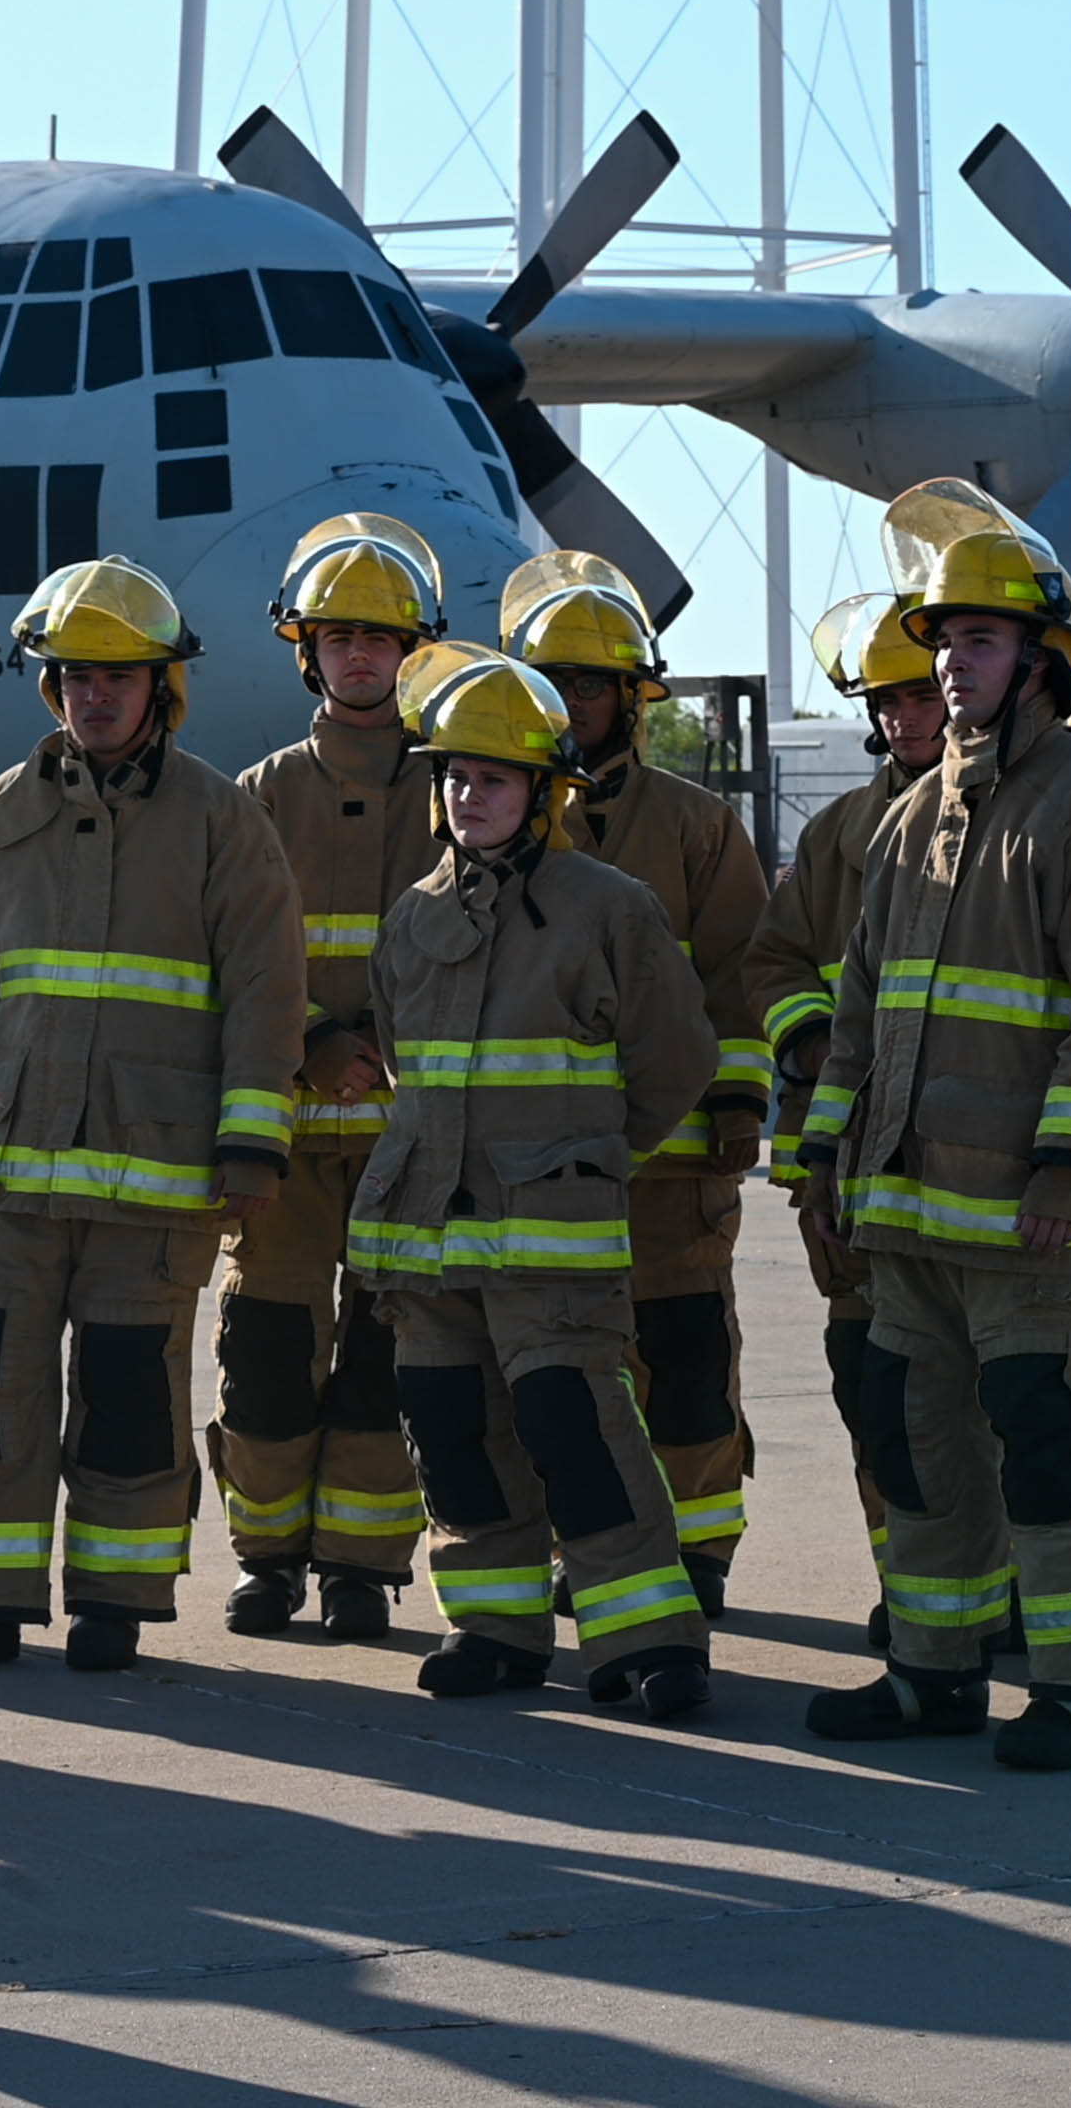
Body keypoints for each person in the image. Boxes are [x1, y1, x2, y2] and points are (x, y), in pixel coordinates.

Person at [800, 482, 1071, 1771]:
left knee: (1051, 1443)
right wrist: (827, 1153)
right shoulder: (908, 818)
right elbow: (860, 1009)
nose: (951, 664)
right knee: (918, 1447)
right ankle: (932, 1673)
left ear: (1040, 664)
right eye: (943, 640)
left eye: (978, 642)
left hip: (1034, 1221)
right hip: (908, 1218)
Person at [0, 555, 306, 1676]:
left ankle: (115, 1600)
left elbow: (268, 986)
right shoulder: (3, 814)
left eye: (118, 677)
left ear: (160, 687)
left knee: (127, 1395)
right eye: (74, 676)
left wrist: (253, 1138)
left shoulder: (222, 821)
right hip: (14, 1174)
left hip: (153, 1177)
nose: (94, 696)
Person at [345, 656, 719, 1717]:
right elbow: (410, 1068)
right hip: (430, 1235)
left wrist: (588, 1161)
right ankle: (497, 1628)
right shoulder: (411, 917)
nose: (470, 796)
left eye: (495, 780)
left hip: (551, 1238)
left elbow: (675, 1060)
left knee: (576, 1430)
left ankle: (650, 1639)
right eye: (457, 776)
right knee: (453, 1432)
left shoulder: (610, 909)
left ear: (547, 792)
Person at [507, 553, 771, 1616]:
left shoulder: (698, 824)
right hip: (544, 1165)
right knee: (572, 1364)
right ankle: (594, 1546)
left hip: (678, 1165)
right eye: (556, 685)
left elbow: (740, 976)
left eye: (591, 686)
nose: (575, 707)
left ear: (630, 697)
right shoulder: (498, 819)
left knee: (687, 1356)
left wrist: (740, 1105)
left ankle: (700, 1550)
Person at [211, 516, 447, 1641]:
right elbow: (230, 955)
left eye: (382, 638)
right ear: (307, 650)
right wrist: (311, 1038)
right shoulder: (259, 796)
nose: (361, 656)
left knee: (383, 1361)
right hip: (293, 1136)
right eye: (341, 636)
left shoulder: (462, 786)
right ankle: (268, 1558)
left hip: (415, 1145)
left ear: (414, 651)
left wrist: (385, 1046)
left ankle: (362, 1565)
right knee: (268, 1347)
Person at [743, 591, 948, 1649]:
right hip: (845, 1162)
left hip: (967, 1160)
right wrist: (811, 1041)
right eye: (890, 703)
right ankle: (911, 1584)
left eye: (922, 697)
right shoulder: (838, 838)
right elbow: (772, 961)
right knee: (870, 1381)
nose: (909, 720)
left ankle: (987, 1585)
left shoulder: (1014, 820)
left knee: (983, 1388)